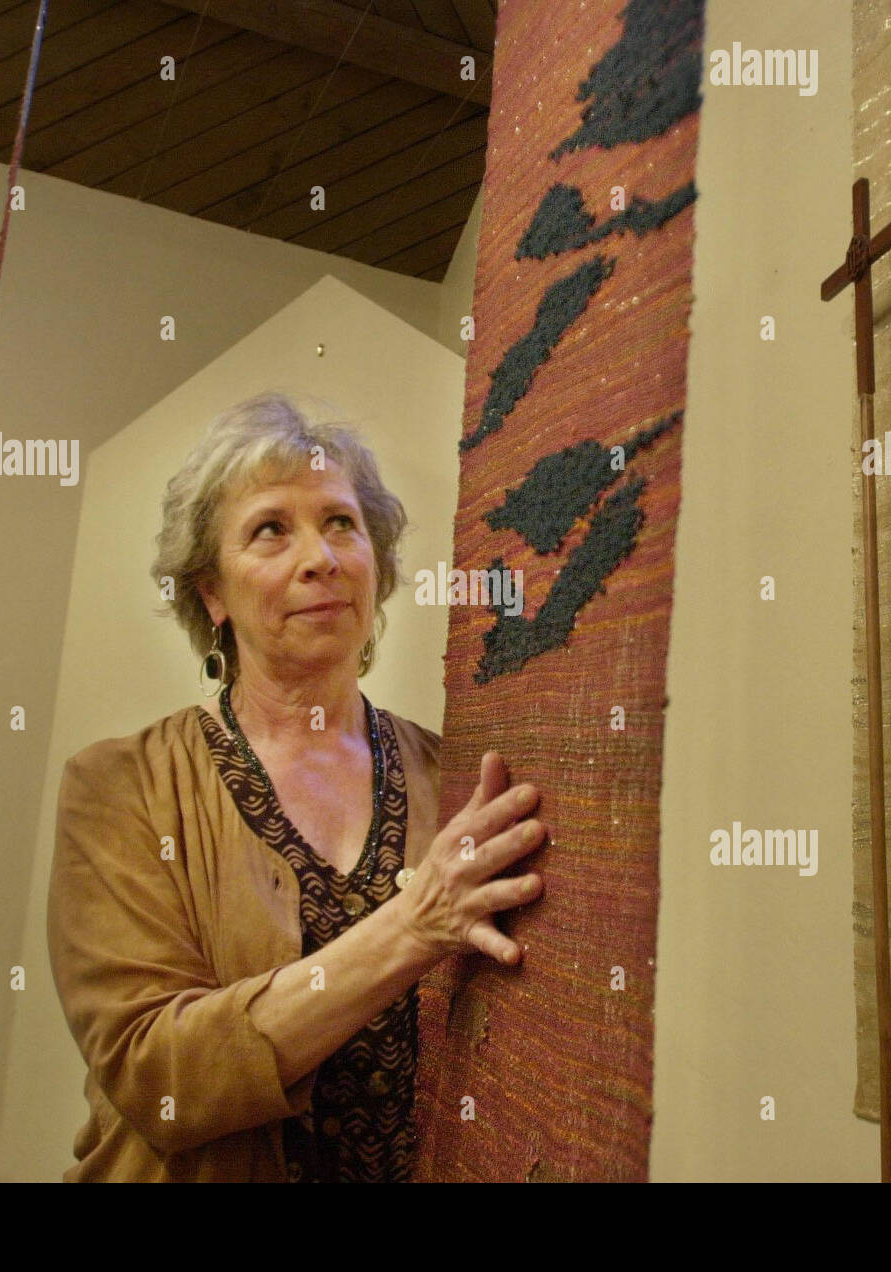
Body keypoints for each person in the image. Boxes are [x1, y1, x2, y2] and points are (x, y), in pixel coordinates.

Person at [47, 391, 546, 1182]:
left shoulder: (452, 777)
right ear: (211, 592)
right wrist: (413, 928)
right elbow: (158, 1078)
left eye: (341, 523)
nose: (320, 557)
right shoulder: (122, 787)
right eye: (271, 529)